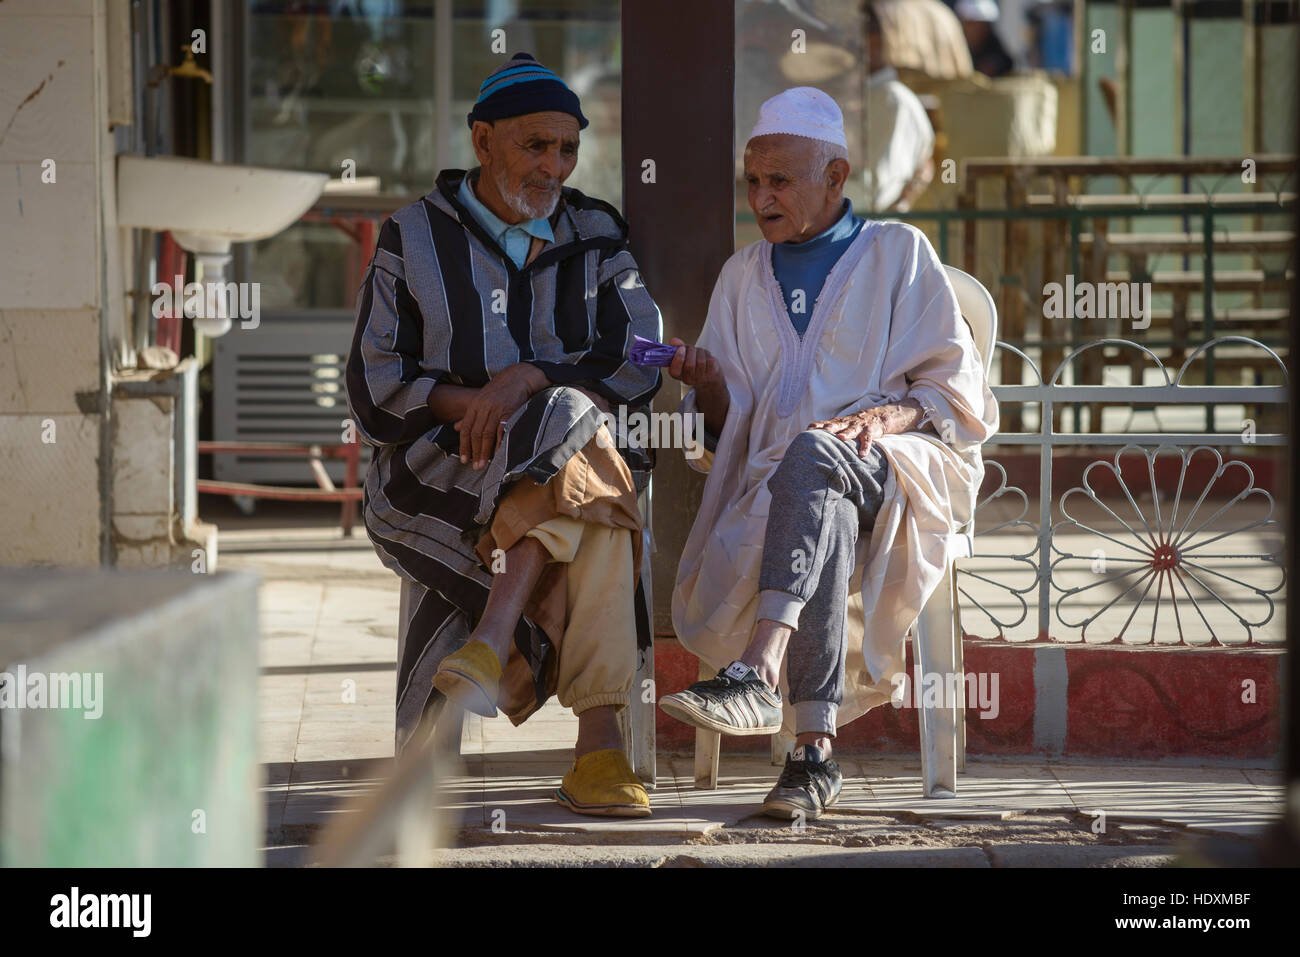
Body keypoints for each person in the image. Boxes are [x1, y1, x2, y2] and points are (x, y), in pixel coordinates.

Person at [660, 87, 998, 820]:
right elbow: (728, 430)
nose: (761, 196)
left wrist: (891, 411)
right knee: (819, 495)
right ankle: (813, 759)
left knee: (818, 460)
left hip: (902, 467)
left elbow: (954, 392)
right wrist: (712, 386)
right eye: (752, 180)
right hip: (796, 486)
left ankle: (755, 668)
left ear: (836, 177)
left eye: (779, 179)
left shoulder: (899, 252)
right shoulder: (741, 275)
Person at [346, 52, 662, 818]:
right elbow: (372, 386)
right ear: (482, 142)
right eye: (535, 145)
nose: (554, 166)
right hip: (435, 475)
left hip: (560, 461)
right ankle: (598, 749)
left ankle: (482, 654)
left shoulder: (595, 233)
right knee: (598, 500)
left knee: (573, 442)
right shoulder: (412, 235)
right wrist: (471, 403)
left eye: (567, 148)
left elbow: (644, 355)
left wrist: (526, 379)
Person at [864, 3, 937, 212]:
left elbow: (876, 194)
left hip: (866, 235)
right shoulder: (873, 97)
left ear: (873, 42)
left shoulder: (891, 100)